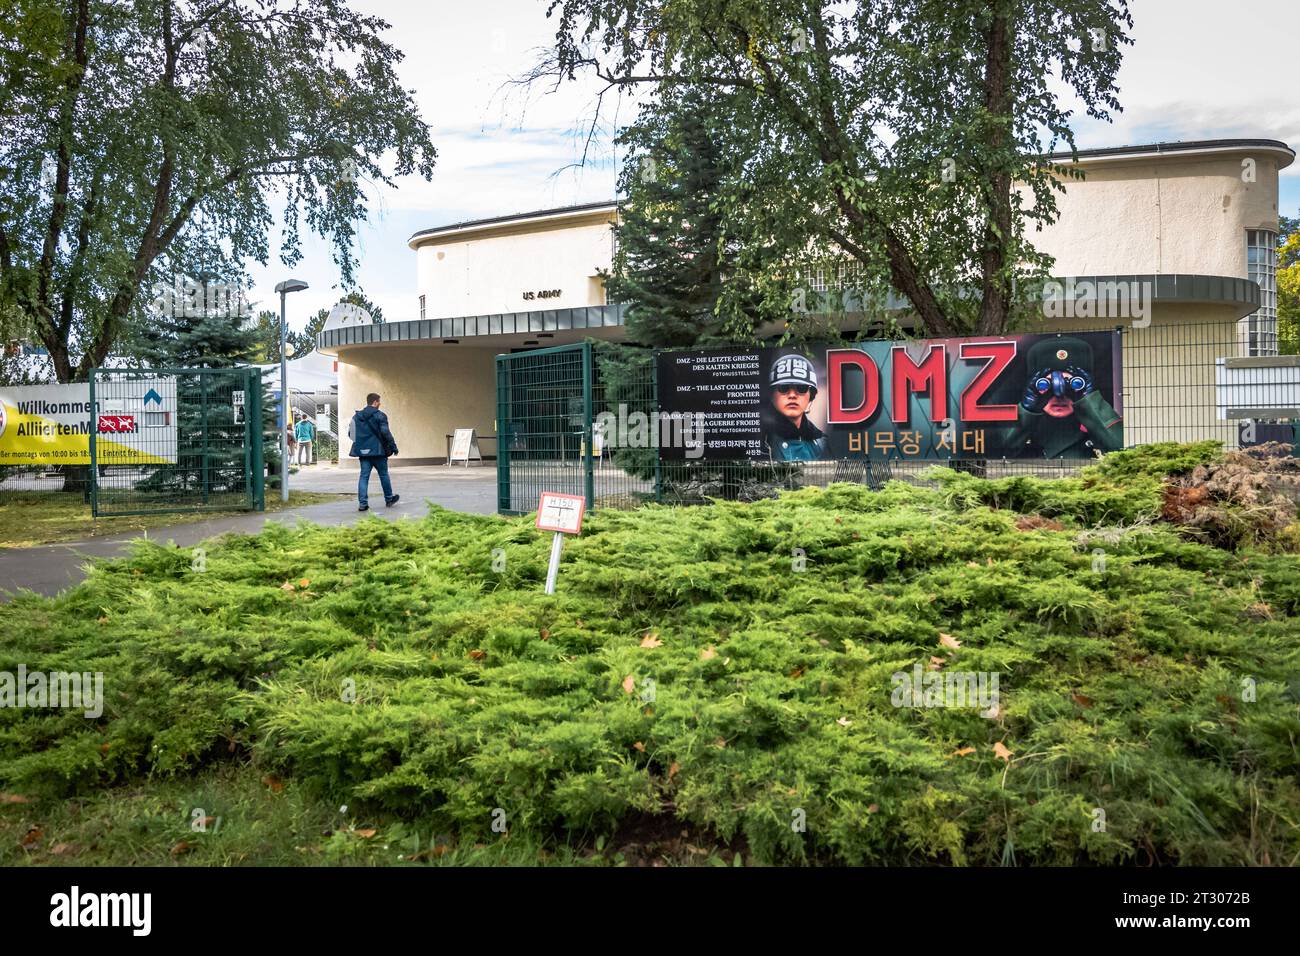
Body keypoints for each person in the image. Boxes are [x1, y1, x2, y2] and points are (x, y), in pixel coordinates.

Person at [1002, 336, 1123, 458]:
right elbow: (996, 451)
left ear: (1086, 384)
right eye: (1047, 385)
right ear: (1032, 387)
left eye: (1070, 385)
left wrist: (1090, 402)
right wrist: (1027, 410)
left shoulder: (1096, 428)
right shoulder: (1026, 430)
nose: (1059, 393)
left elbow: (1122, 453)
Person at [762, 353, 828, 461]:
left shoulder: (821, 442)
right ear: (772, 395)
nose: (792, 395)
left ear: (810, 396)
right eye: (783, 387)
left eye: (801, 388)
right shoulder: (760, 439)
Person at [349, 392, 400, 511]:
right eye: (379, 401)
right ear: (375, 402)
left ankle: (363, 504)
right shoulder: (380, 415)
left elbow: (351, 434)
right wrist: (393, 447)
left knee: (364, 477)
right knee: (383, 475)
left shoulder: (356, 417)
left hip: (363, 453)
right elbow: (385, 433)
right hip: (378, 452)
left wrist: (362, 442)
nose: (380, 404)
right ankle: (389, 499)